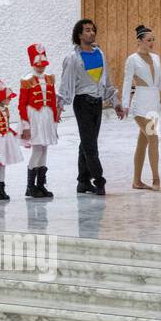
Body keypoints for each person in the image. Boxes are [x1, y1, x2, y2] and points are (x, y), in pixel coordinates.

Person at [57, 19, 126, 196]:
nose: (91, 33)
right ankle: (99, 180)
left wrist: (116, 102)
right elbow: (66, 85)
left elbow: (106, 82)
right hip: (82, 103)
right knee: (90, 146)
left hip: (97, 105)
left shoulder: (99, 54)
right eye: (87, 30)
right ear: (79, 35)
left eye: (93, 30)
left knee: (87, 143)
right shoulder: (72, 58)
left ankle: (83, 181)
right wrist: (59, 107)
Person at [121, 25, 161, 190]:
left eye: (153, 40)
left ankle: (136, 181)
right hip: (139, 105)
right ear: (139, 41)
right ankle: (156, 179)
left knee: (143, 142)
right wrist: (125, 105)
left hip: (154, 105)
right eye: (148, 40)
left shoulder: (156, 58)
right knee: (153, 138)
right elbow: (126, 83)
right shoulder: (132, 59)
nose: (152, 43)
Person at [19, 44, 61, 199]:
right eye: (38, 65)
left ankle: (40, 185)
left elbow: (52, 101)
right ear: (32, 63)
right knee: (37, 149)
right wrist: (25, 125)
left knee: (44, 149)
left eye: (43, 65)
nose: (41, 68)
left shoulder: (50, 78)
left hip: (47, 117)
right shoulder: (27, 80)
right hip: (34, 118)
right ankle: (30, 187)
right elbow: (21, 105)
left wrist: (55, 121)